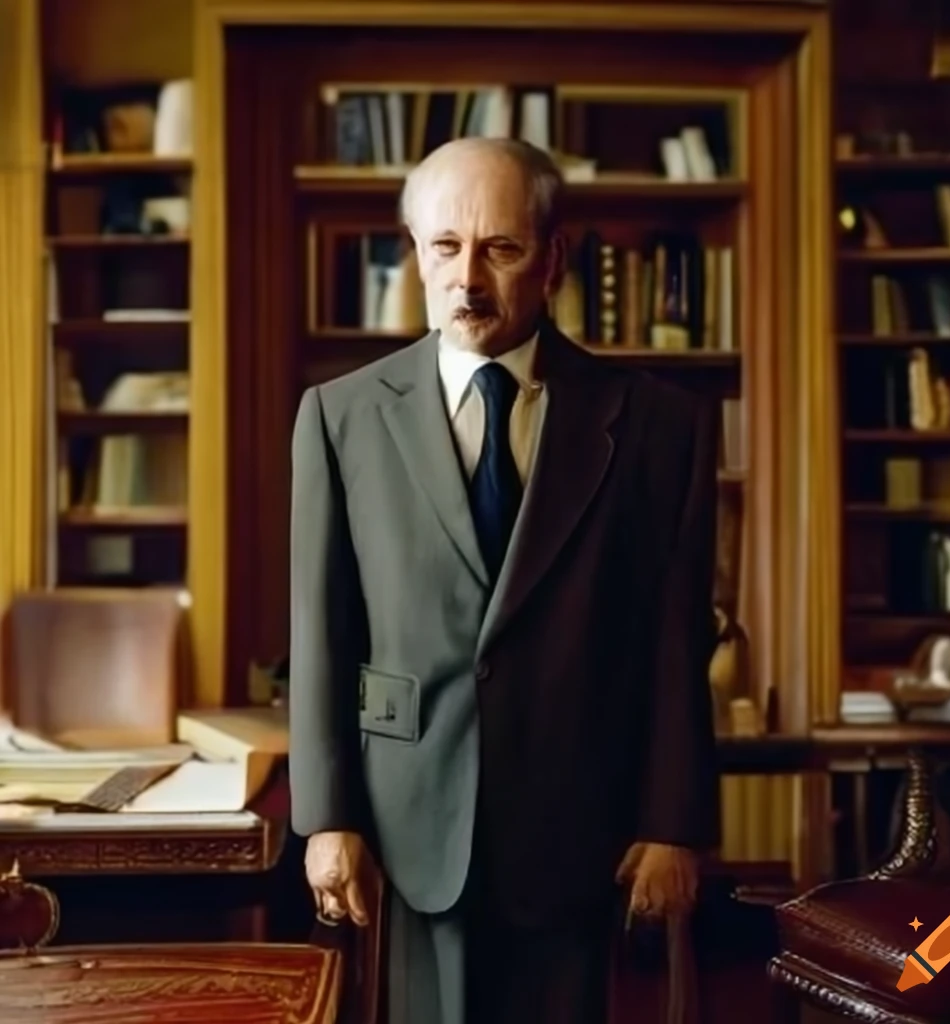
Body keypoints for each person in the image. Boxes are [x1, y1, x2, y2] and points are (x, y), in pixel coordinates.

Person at [290, 137, 720, 1024]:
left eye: (502, 249)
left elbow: (676, 640)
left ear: (554, 259)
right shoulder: (339, 417)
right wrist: (326, 820)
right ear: (414, 253)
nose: (468, 280)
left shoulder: (658, 427)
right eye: (444, 247)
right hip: (408, 823)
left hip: (579, 820)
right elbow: (320, 630)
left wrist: (672, 821)